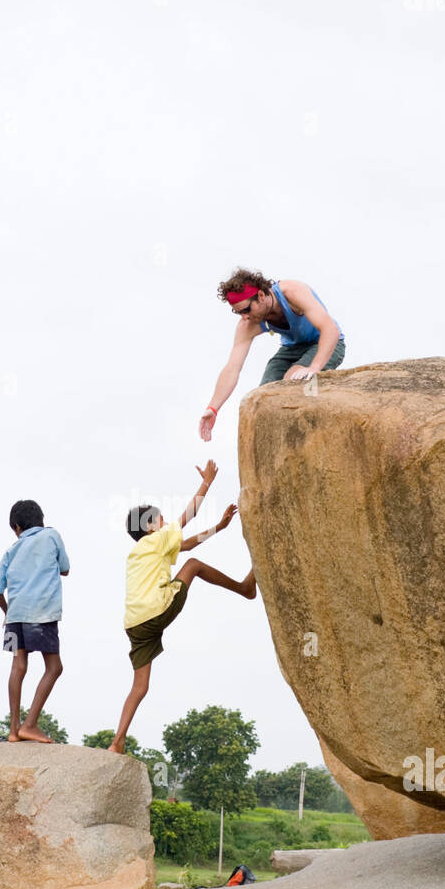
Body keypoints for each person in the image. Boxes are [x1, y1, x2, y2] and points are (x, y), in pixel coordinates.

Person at [109, 460, 255, 754]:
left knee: (139, 686)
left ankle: (117, 741)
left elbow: (185, 543)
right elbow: (188, 516)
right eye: (160, 520)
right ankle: (244, 588)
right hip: (156, 611)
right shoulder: (156, 540)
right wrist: (207, 483)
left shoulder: (140, 551)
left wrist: (219, 527)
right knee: (193, 566)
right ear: (150, 526)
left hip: (134, 625)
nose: (165, 524)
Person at [199, 267, 346, 441]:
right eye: (238, 313)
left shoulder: (292, 293)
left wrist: (314, 367)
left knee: (293, 378)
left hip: (326, 342)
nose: (244, 317)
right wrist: (213, 408)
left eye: (246, 310)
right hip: (291, 349)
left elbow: (331, 330)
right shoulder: (248, 324)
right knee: (263, 397)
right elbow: (232, 367)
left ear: (261, 296)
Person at [0, 499, 70, 744]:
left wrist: (7, 612)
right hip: (41, 614)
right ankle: (30, 724)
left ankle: (14, 731)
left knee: (18, 666)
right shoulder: (51, 536)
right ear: (42, 519)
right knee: (54, 668)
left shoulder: (11, 550)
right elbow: (65, 569)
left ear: (16, 527)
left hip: (15, 618)